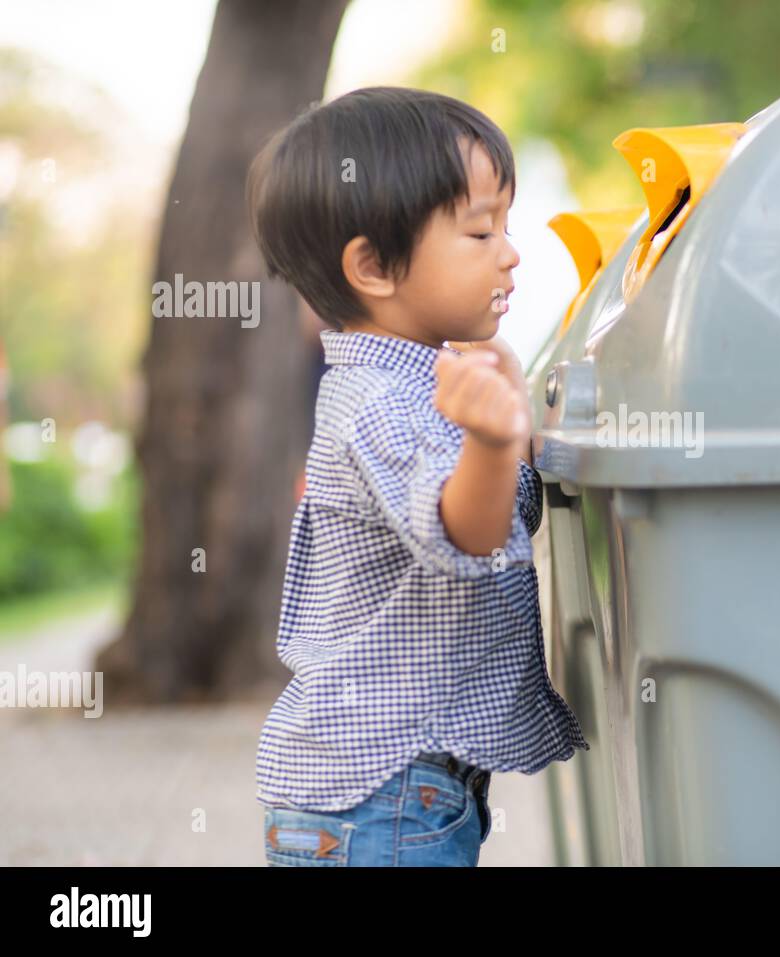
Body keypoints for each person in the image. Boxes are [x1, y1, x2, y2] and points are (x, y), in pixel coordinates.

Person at [246, 87, 589, 867]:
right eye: (479, 230)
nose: (511, 251)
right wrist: (495, 443)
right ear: (371, 265)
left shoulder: (418, 385)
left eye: (505, 223)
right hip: (382, 798)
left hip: (390, 792)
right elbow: (462, 535)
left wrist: (509, 444)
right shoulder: (379, 402)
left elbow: (498, 516)